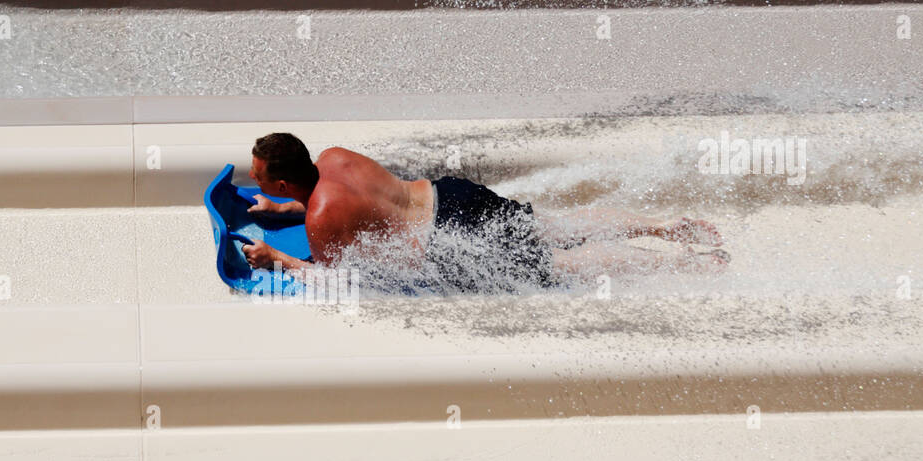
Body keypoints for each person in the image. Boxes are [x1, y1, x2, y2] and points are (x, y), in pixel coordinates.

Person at [240, 132, 727, 292]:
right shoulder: (334, 157)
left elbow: (332, 278)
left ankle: (687, 265)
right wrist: (283, 206)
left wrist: (277, 258)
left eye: (260, 178)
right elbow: (344, 199)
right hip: (449, 196)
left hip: (450, 236)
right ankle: (666, 226)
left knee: (559, 264)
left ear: (282, 181)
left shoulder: (322, 220)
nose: (255, 180)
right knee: (555, 227)